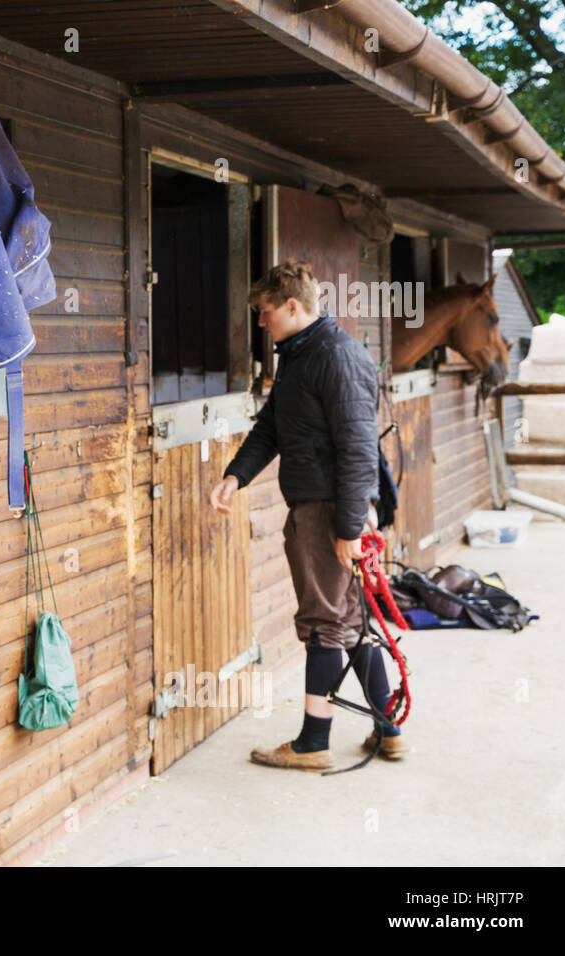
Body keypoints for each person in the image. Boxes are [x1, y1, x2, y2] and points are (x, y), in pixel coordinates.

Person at [208, 260, 408, 771]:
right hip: (324, 509)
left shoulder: (336, 356)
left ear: (292, 307)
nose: (261, 321)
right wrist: (236, 475)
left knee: (322, 623)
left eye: (266, 311)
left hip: (327, 513)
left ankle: (313, 743)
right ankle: (389, 730)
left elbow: (360, 449)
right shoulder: (300, 356)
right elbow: (271, 427)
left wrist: (345, 528)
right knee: (350, 619)